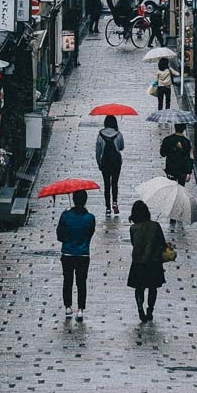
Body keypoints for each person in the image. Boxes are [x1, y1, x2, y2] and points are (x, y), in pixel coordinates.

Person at [56, 190, 95, 321]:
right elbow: (89, 234)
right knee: (81, 282)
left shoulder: (65, 216)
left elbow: (59, 236)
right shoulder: (90, 218)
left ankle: (68, 307)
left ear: (73, 199)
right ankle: (80, 309)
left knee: (67, 281)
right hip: (83, 254)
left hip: (67, 253)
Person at [128, 199, 167, 322]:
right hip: (153, 262)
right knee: (152, 287)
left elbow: (134, 243)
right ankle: (150, 309)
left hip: (138, 262)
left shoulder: (133, 228)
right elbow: (162, 243)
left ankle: (140, 308)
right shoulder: (155, 226)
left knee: (139, 288)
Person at [95, 114, 124, 215]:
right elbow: (121, 147)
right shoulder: (118, 134)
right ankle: (115, 202)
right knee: (115, 183)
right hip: (116, 162)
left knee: (107, 184)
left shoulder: (100, 135)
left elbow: (98, 152)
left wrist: (99, 163)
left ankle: (107, 207)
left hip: (105, 162)